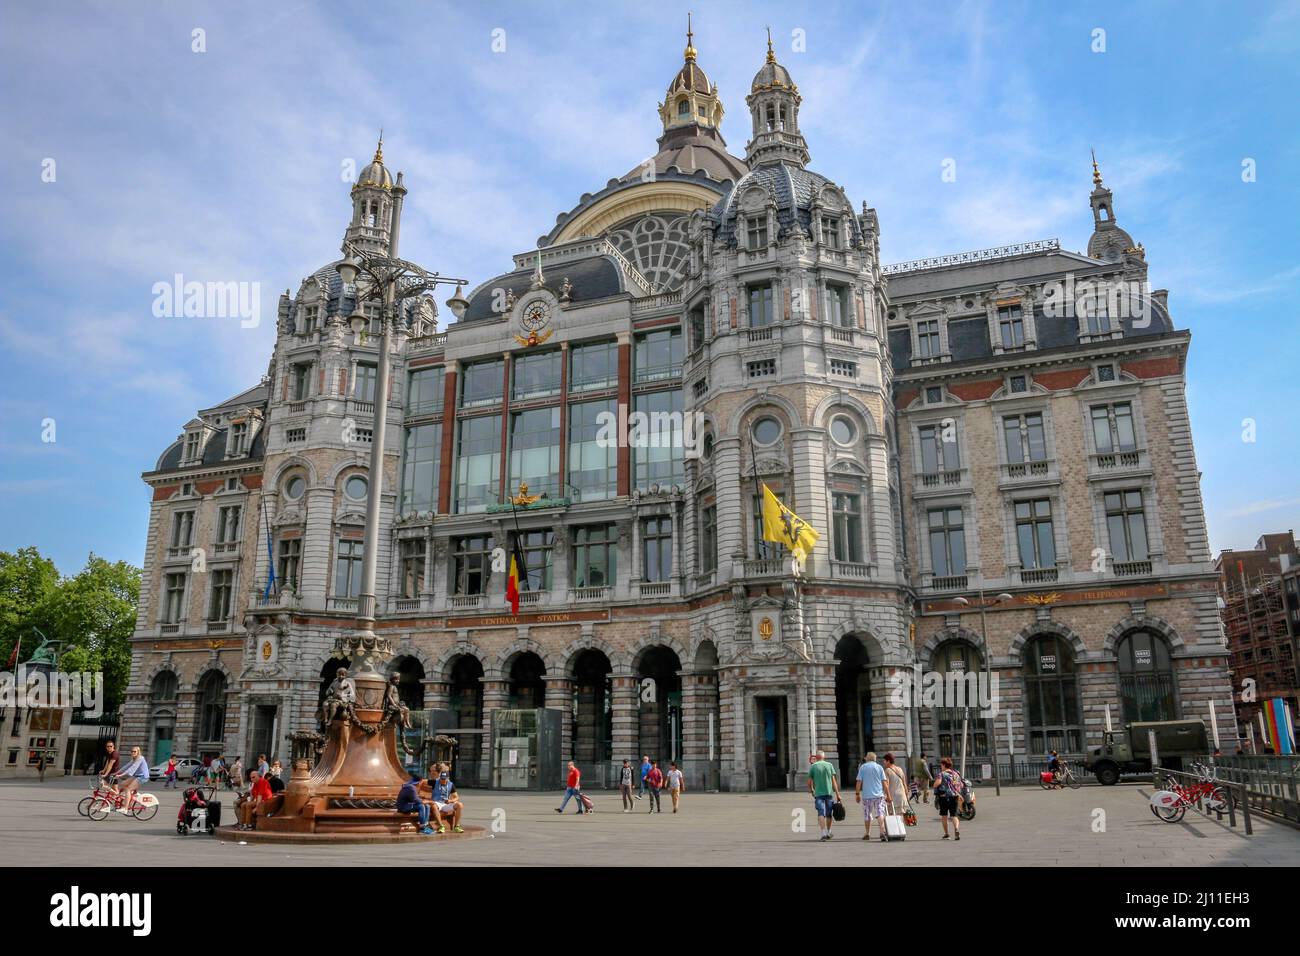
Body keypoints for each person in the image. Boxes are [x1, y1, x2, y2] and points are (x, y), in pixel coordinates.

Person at [807, 750, 840, 841]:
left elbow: (809, 782)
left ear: (816, 758)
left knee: (821, 813)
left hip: (818, 794)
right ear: (824, 757)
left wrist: (812, 790)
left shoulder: (813, 767)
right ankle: (829, 831)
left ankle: (823, 833)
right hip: (829, 793)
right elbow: (834, 781)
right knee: (829, 814)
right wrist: (837, 794)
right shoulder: (829, 765)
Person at [855, 752, 888, 842]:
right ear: (875, 759)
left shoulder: (863, 767)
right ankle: (882, 831)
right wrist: (888, 794)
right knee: (880, 813)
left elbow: (859, 781)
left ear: (867, 758)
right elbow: (884, 782)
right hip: (879, 795)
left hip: (867, 795)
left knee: (867, 814)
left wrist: (857, 794)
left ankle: (867, 833)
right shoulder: (879, 767)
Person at [933, 757, 963, 841]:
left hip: (944, 797)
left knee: (944, 816)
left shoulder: (942, 774)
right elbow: (961, 785)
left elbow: (937, 783)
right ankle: (956, 829)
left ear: (943, 765)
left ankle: (946, 834)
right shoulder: (956, 773)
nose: (941, 767)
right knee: (954, 815)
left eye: (941, 765)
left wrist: (934, 785)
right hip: (955, 796)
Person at [114, 746, 151, 812]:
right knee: (122, 784)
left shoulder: (140, 758)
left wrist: (120, 775)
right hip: (136, 776)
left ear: (138, 752)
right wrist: (116, 772)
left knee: (128, 789)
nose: (133, 753)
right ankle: (127, 800)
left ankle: (125, 808)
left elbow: (131, 769)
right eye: (132, 751)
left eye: (134, 751)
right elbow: (126, 766)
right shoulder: (134, 759)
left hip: (143, 777)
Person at [429, 763, 464, 833]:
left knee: (460, 805)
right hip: (437, 802)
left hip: (446, 803)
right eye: (441, 779)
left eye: (444, 779)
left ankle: (456, 826)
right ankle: (441, 826)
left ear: (448, 779)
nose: (443, 780)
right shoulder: (434, 782)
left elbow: (456, 797)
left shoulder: (451, 784)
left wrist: (450, 801)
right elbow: (421, 782)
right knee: (433, 805)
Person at [883, 753, 909, 823]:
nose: (884, 762)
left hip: (894, 796)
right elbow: (904, 782)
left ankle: (896, 831)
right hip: (902, 795)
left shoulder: (887, 770)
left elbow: (886, 785)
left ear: (888, 761)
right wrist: (906, 793)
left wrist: (886, 796)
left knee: (893, 817)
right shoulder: (900, 769)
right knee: (901, 815)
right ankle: (901, 830)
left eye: (884, 761)